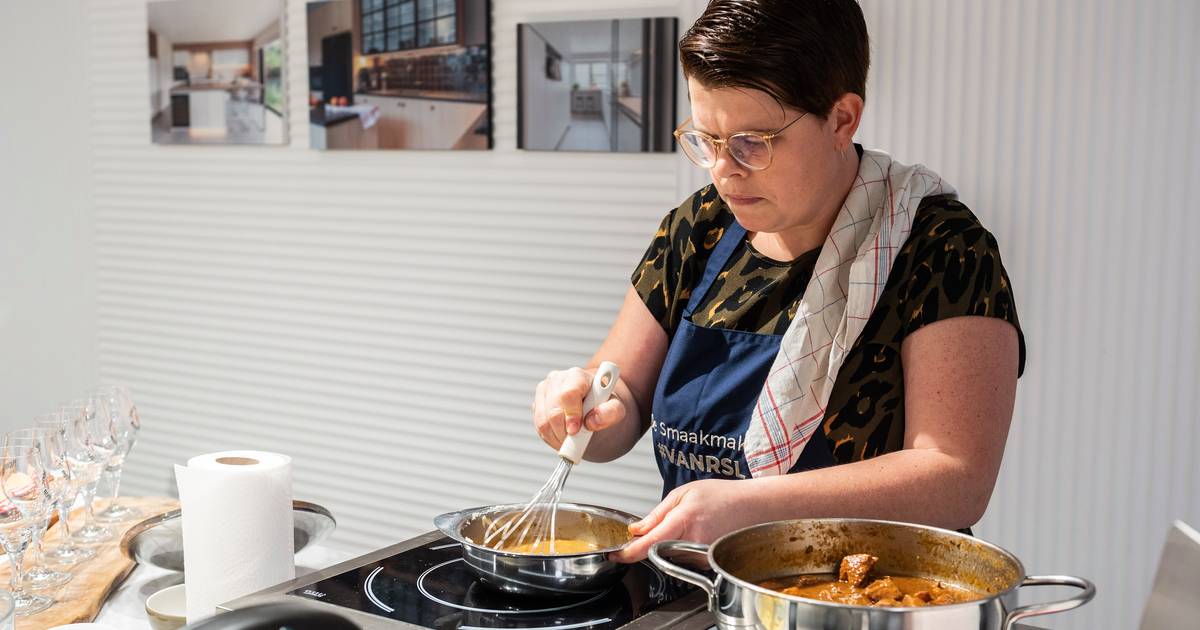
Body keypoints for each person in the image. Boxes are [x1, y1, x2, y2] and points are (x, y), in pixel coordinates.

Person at [531, 0, 1025, 562]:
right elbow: (625, 392)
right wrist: (585, 408)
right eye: (706, 140)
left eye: (751, 143)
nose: (723, 170)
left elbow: (956, 478)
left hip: (862, 601)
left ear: (842, 119)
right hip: (697, 590)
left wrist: (755, 505)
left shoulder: (939, 249)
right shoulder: (698, 230)